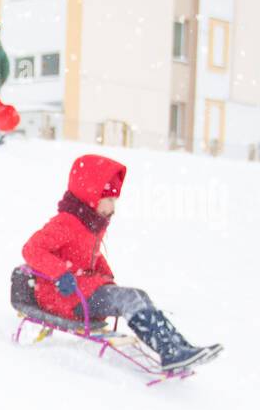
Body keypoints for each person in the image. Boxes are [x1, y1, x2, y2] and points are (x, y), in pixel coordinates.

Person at [21, 155, 221, 372]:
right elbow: (31, 249)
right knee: (129, 299)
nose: (113, 207)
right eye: (109, 200)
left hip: (81, 291)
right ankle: (171, 352)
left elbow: (90, 255)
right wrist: (60, 273)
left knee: (137, 295)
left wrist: (106, 275)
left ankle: (177, 346)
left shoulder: (90, 224)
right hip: (62, 296)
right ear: (91, 195)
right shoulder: (66, 223)